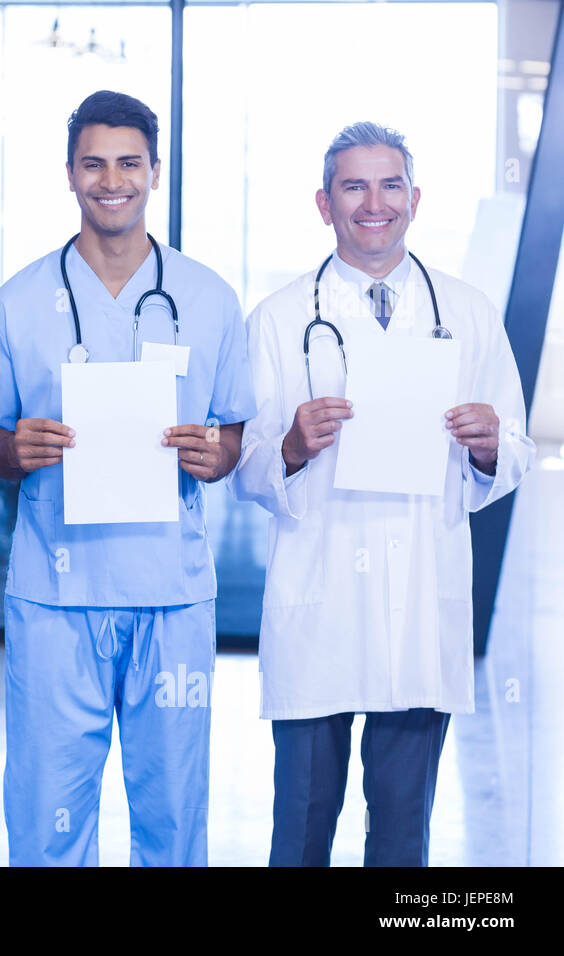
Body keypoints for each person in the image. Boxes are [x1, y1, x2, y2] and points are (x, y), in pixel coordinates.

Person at [231, 122, 534, 867]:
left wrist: (491, 442)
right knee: (299, 832)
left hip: (418, 611)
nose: (375, 203)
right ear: (323, 203)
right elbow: (245, 467)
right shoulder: (277, 319)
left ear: (415, 198)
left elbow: (518, 448)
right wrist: (295, 446)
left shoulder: (465, 314)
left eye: (390, 184)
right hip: (319, 603)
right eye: (354, 186)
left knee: (402, 841)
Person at [0, 91, 256, 866]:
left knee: (172, 814)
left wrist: (216, 453)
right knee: (47, 814)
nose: (112, 179)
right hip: (56, 594)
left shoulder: (208, 299)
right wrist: (13, 449)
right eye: (93, 162)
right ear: (69, 173)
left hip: (170, 592)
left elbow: (232, 431)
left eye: (129, 162)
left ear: (155, 172)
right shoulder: (14, 305)